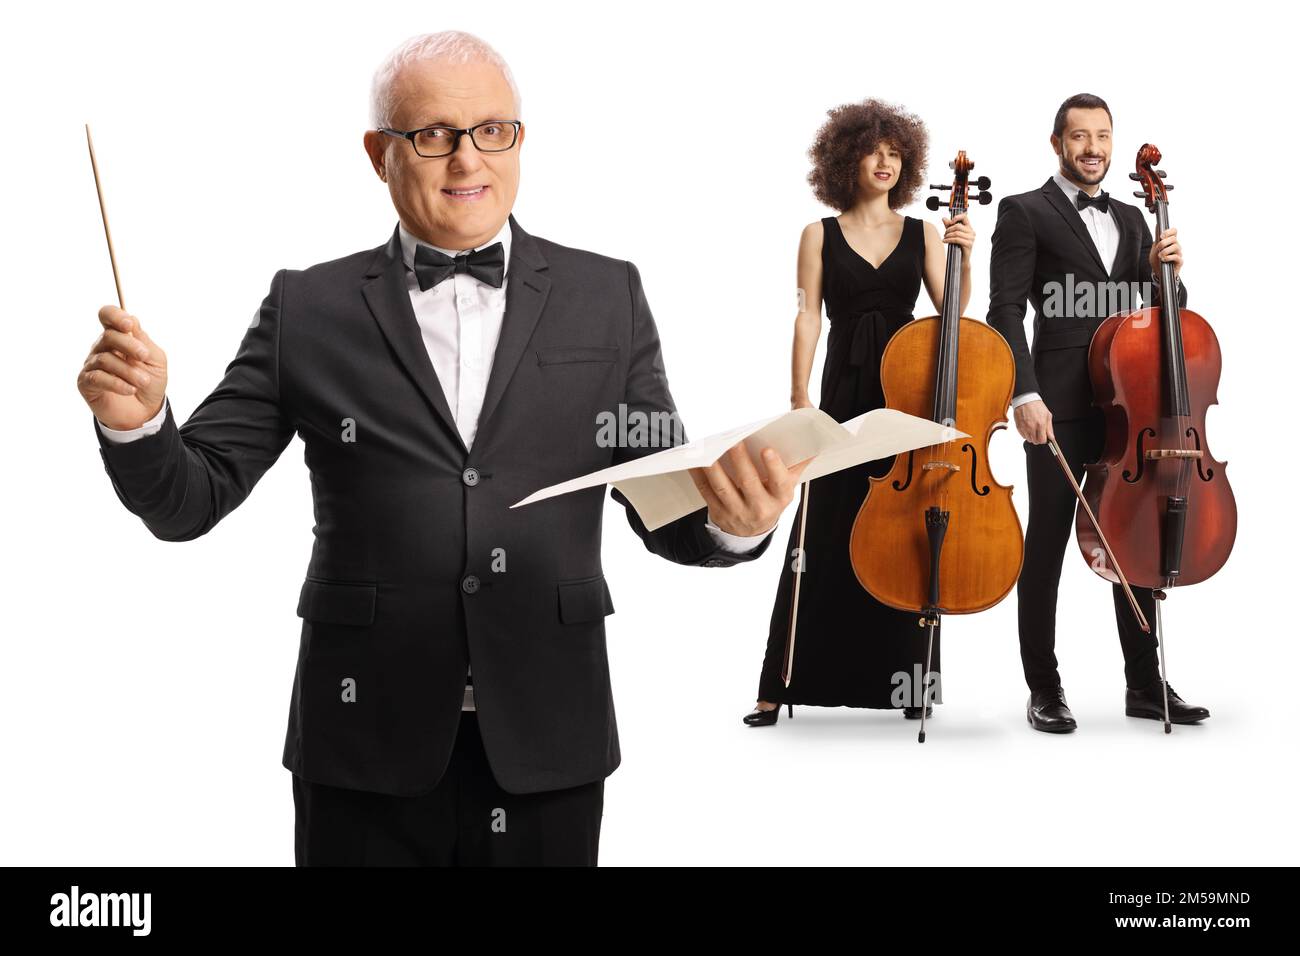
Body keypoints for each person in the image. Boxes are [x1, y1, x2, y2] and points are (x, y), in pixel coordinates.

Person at [77, 30, 806, 865]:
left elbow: (665, 503)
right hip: (362, 745)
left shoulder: (608, 295)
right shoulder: (306, 309)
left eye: (493, 130)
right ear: (378, 154)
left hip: (548, 735)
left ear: (520, 141)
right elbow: (189, 499)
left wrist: (736, 523)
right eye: (433, 135)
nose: (468, 160)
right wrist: (137, 421)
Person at [985, 92, 1209, 733]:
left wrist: (1172, 274)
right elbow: (1006, 311)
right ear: (1057, 144)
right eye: (1079, 136)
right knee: (1049, 545)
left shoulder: (1136, 223)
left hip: (1129, 411)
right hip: (1057, 408)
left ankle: (1145, 686)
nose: (1093, 148)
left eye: (1103, 136)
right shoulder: (1025, 211)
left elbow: (1164, 316)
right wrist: (1023, 394)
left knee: (1133, 540)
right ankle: (1044, 688)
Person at [744, 99, 973, 726]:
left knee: (903, 526)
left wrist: (963, 255)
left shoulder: (924, 232)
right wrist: (798, 398)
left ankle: (907, 685)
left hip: (907, 390)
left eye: (896, 153)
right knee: (821, 529)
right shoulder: (817, 234)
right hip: (842, 391)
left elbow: (951, 312)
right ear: (848, 158)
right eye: (874, 151)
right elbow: (806, 315)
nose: (885, 162)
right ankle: (781, 683)